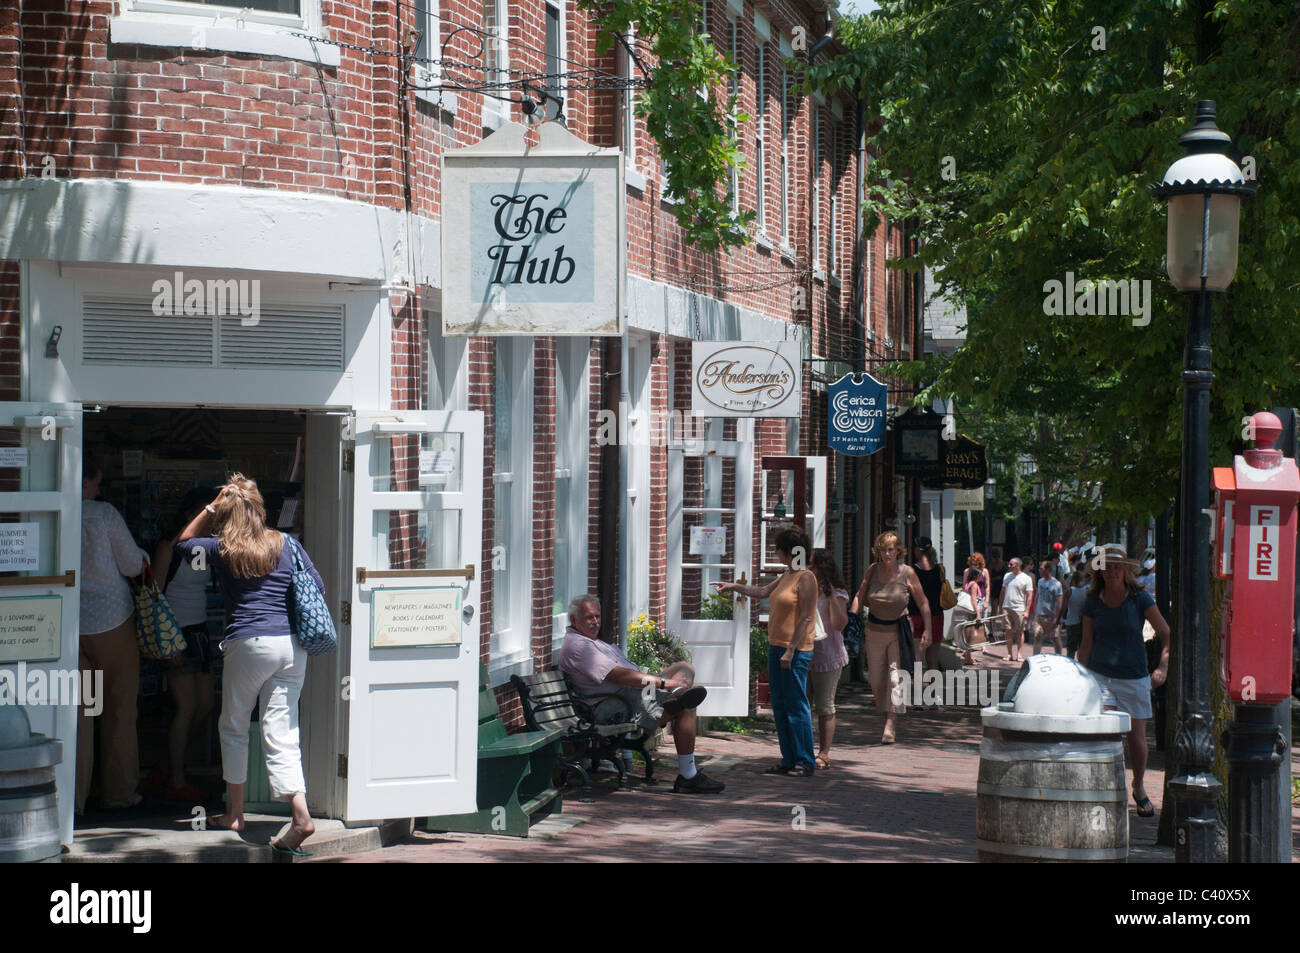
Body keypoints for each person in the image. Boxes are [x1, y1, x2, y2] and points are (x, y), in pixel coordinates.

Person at [176, 474, 319, 855]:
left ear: (227, 511)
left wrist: (209, 509)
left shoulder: (222, 548)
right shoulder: (288, 543)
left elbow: (182, 546)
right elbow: (315, 586)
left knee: (235, 724)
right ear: (260, 509)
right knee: (282, 729)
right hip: (291, 645)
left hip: (249, 642)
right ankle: (300, 814)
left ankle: (235, 813)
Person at [558, 595, 723, 793]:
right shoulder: (579, 646)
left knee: (683, 667)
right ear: (574, 620)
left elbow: (627, 675)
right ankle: (688, 775)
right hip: (615, 705)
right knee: (688, 707)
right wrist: (663, 682)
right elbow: (619, 676)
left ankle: (676, 696)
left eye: (597, 617)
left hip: (632, 694)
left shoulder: (592, 641)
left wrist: (663, 682)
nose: (595, 622)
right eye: (589, 618)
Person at [714, 527, 818, 774]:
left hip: (795, 651)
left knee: (796, 705)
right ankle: (789, 759)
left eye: (777, 549)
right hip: (776, 647)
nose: (776, 553)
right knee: (780, 705)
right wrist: (733, 587)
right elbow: (761, 592)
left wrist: (791, 651)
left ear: (787, 551)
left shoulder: (806, 578)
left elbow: (805, 617)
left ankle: (806, 761)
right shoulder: (787, 576)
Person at [77, 460, 149, 813]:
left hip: (70, 625)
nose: (98, 490)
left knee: (81, 711)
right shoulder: (103, 514)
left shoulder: (52, 509)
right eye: (96, 483)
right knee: (119, 709)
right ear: (85, 479)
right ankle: (118, 793)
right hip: (112, 620)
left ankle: (74, 798)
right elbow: (132, 564)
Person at [1078, 545, 1170, 819]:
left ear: (1126, 570)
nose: (1111, 572)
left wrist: (1162, 667)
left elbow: (1166, 633)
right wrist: (1080, 678)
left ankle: (1138, 786)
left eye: (1116, 567)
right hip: (1101, 675)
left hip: (1134, 676)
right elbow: (1086, 644)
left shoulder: (1139, 598)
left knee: (1137, 740)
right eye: (1106, 567)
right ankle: (1107, 787)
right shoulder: (1092, 600)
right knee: (1106, 734)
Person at [151, 489, 216, 804]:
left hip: (200, 631)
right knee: (187, 707)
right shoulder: (169, 548)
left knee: (205, 706)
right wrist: (167, 643)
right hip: (175, 632)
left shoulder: (204, 548)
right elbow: (156, 596)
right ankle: (176, 779)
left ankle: (166, 767)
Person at [850, 531, 933, 744]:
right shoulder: (873, 570)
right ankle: (886, 712)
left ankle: (890, 724)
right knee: (876, 680)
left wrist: (928, 630)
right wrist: (851, 619)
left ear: (898, 551)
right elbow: (860, 595)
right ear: (878, 551)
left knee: (896, 678)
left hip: (898, 630)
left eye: (891, 549)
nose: (887, 553)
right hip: (874, 630)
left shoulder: (907, 573)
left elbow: (923, 602)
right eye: (883, 550)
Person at [807, 550, 849, 769]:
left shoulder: (838, 593)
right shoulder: (806, 589)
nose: (807, 568)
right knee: (803, 704)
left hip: (828, 654)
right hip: (804, 652)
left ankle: (824, 753)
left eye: (811, 565)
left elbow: (840, 623)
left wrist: (831, 595)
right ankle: (803, 750)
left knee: (824, 705)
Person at [907, 537, 946, 672]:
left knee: (917, 657)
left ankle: (918, 691)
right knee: (933, 659)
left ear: (917, 550)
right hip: (936, 614)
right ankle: (933, 692)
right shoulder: (939, 569)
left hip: (915, 614)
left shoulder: (911, 570)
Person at [999, 557, 1034, 663]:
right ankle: (1009, 654)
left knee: (1020, 631)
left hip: (1019, 608)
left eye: (1011, 564)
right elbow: (1003, 591)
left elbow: (1029, 596)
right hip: (1007, 607)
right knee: (1007, 631)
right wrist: (1000, 606)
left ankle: (1019, 654)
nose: (1009, 566)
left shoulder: (1026, 578)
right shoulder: (1006, 576)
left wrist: (1027, 611)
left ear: (1018, 566)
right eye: (1009, 564)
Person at [1056, 567, 1091, 660]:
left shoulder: (1069, 591)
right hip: (1083, 622)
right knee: (1082, 646)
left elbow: (1063, 608)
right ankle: (1082, 666)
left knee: (1071, 647)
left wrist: (1060, 619)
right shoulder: (1087, 591)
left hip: (1071, 621)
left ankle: (1070, 664)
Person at [1030, 560, 1064, 655]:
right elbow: (1037, 596)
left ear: (1048, 569)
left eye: (1041, 568)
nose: (1039, 570)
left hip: (1051, 616)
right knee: (1037, 635)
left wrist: (1056, 618)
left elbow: (1059, 601)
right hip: (1040, 615)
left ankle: (1059, 657)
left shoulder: (1056, 584)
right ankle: (1035, 656)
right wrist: (1035, 611)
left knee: (1055, 638)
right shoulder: (1040, 581)